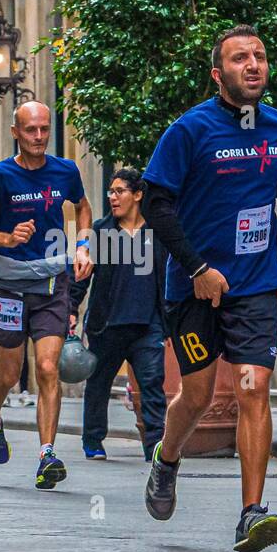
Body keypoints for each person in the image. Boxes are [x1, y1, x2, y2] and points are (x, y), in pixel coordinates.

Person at [141, 24, 277, 552]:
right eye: (241, 58)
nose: (254, 65)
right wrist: (197, 268)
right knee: (195, 396)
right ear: (218, 74)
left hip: (256, 283)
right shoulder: (189, 131)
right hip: (195, 288)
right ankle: (167, 459)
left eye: (260, 56)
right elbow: (156, 205)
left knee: (252, 386)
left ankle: (251, 512)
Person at [0, 100, 94, 490]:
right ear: (15, 133)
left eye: (44, 129)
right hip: (8, 285)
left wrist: (82, 244)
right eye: (30, 130)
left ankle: (46, 454)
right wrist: (6, 238)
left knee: (46, 368)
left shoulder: (65, 170)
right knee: (8, 373)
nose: (39, 137)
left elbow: (83, 209)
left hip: (51, 282)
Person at [69, 168, 168, 462]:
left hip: (148, 324)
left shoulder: (157, 232)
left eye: (119, 191)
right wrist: (71, 308)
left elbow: (169, 274)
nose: (113, 197)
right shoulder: (101, 231)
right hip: (107, 324)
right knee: (98, 383)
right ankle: (93, 440)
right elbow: (82, 275)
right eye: (110, 192)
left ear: (137, 195)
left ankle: (154, 446)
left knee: (152, 385)